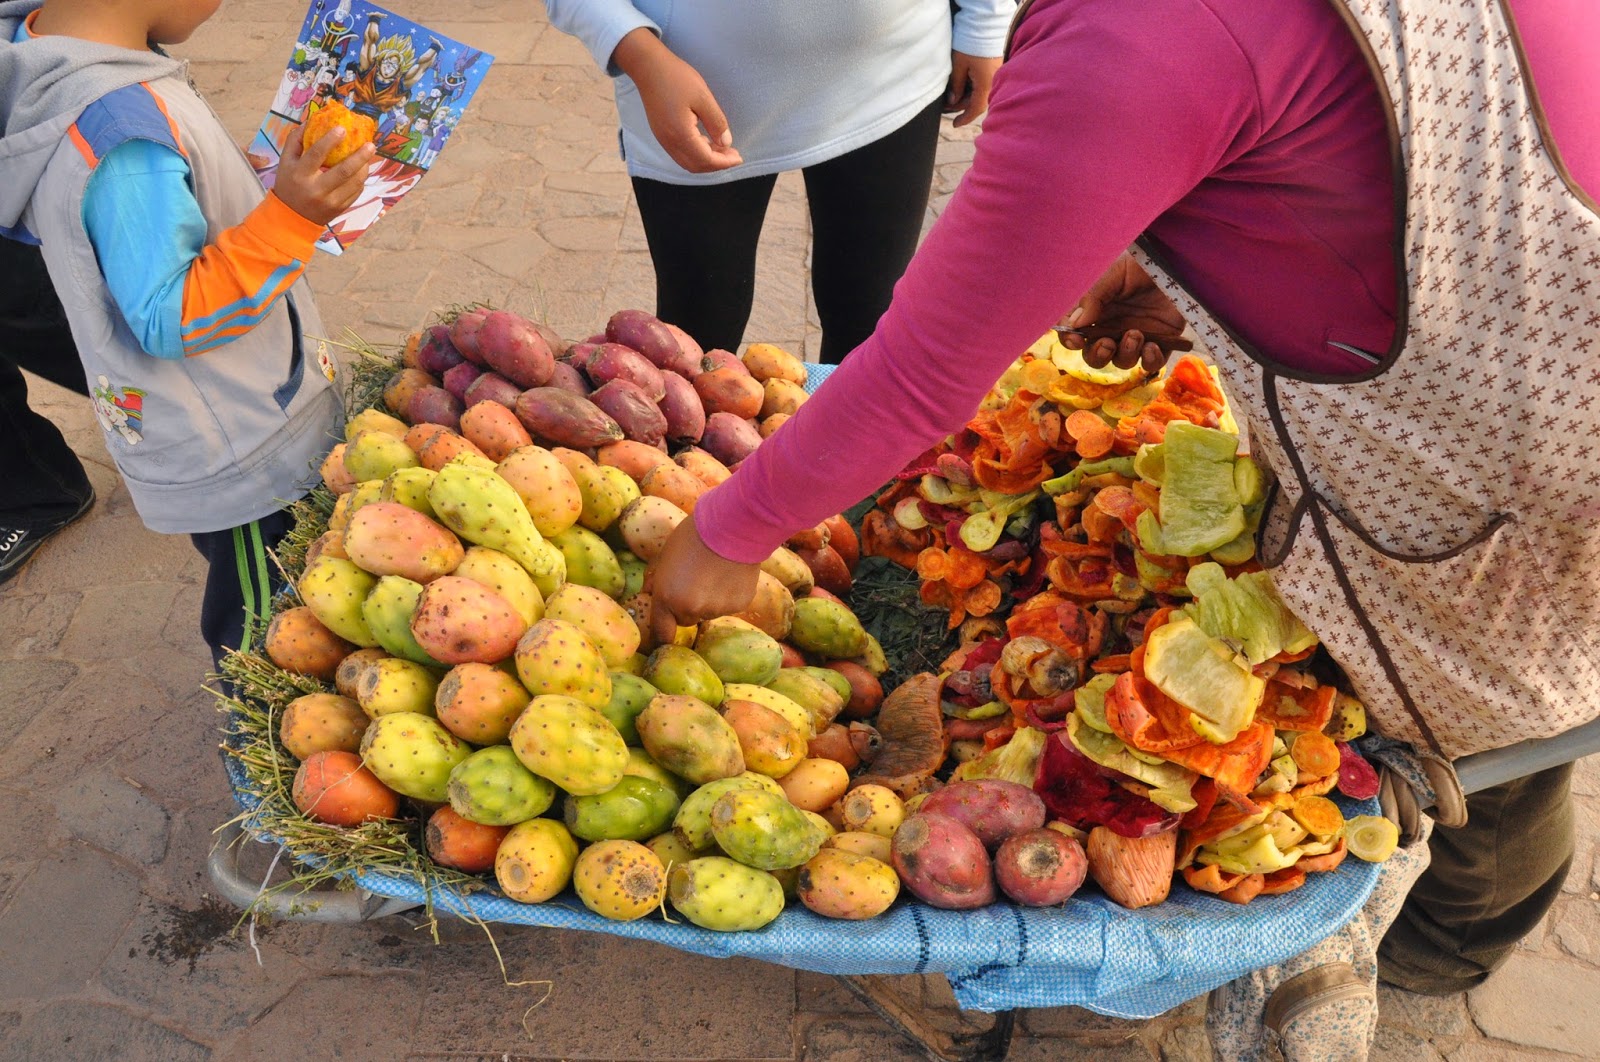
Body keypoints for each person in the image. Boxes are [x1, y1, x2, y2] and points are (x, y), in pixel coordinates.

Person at [649, 0, 1599, 1001]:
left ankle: (1443, 958)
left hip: (1520, 451)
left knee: (1491, 715)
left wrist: (730, 531)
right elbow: (1363, 115)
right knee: (1525, 674)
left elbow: (926, 370)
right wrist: (1187, 244)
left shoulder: (1129, 31)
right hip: (1541, 353)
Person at [0, 0, 374, 668]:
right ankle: (253, 749)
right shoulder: (120, 130)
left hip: (232, 404)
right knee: (269, 625)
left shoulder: (47, 47)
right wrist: (290, 218)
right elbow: (172, 316)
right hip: (237, 444)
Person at [544, 0, 1015, 363]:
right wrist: (638, 52)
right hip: (692, 82)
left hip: (893, 73)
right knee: (697, 337)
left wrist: (985, 21)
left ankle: (850, 486)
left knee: (868, 322)